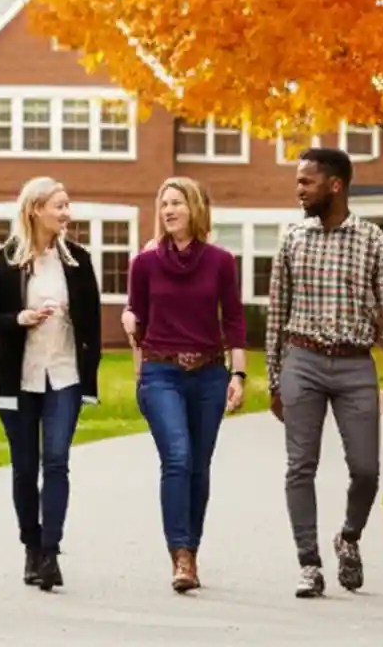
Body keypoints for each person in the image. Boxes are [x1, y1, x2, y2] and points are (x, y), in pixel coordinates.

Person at [264, 147, 383, 598]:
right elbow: (277, 312)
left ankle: (348, 537)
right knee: (299, 467)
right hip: (302, 361)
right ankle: (309, 563)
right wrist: (273, 377)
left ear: (335, 185)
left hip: (354, 366)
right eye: (298, 181)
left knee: (365, 469)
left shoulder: (374, 242)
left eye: (306, 182)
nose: (299, 190)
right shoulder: (293, 239)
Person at [0, 177, 102, 592]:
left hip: (64, 375)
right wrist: (19, 319)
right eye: (59, 206)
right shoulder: (8, 260)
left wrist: (90, 379)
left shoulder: (79, 261)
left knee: (56, 461)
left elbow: (94, 325)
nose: (66, 213)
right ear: (35, 209)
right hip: (20, 380)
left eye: (68, 206)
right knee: (25, 467)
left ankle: (51, 551)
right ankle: (31, 547)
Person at [126, 177, 247, 593]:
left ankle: (191, 549)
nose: (169, 211)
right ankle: (180, 554)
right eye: (163, 205)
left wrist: (238, 373)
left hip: (210, 375)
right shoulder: (143, 264)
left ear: (194, 208)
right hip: (161, 373)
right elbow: (137, 320)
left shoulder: (221, 261)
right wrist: (138, 366)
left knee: (199, 465)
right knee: (177, 457)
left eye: (176, 203)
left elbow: (232, 319)